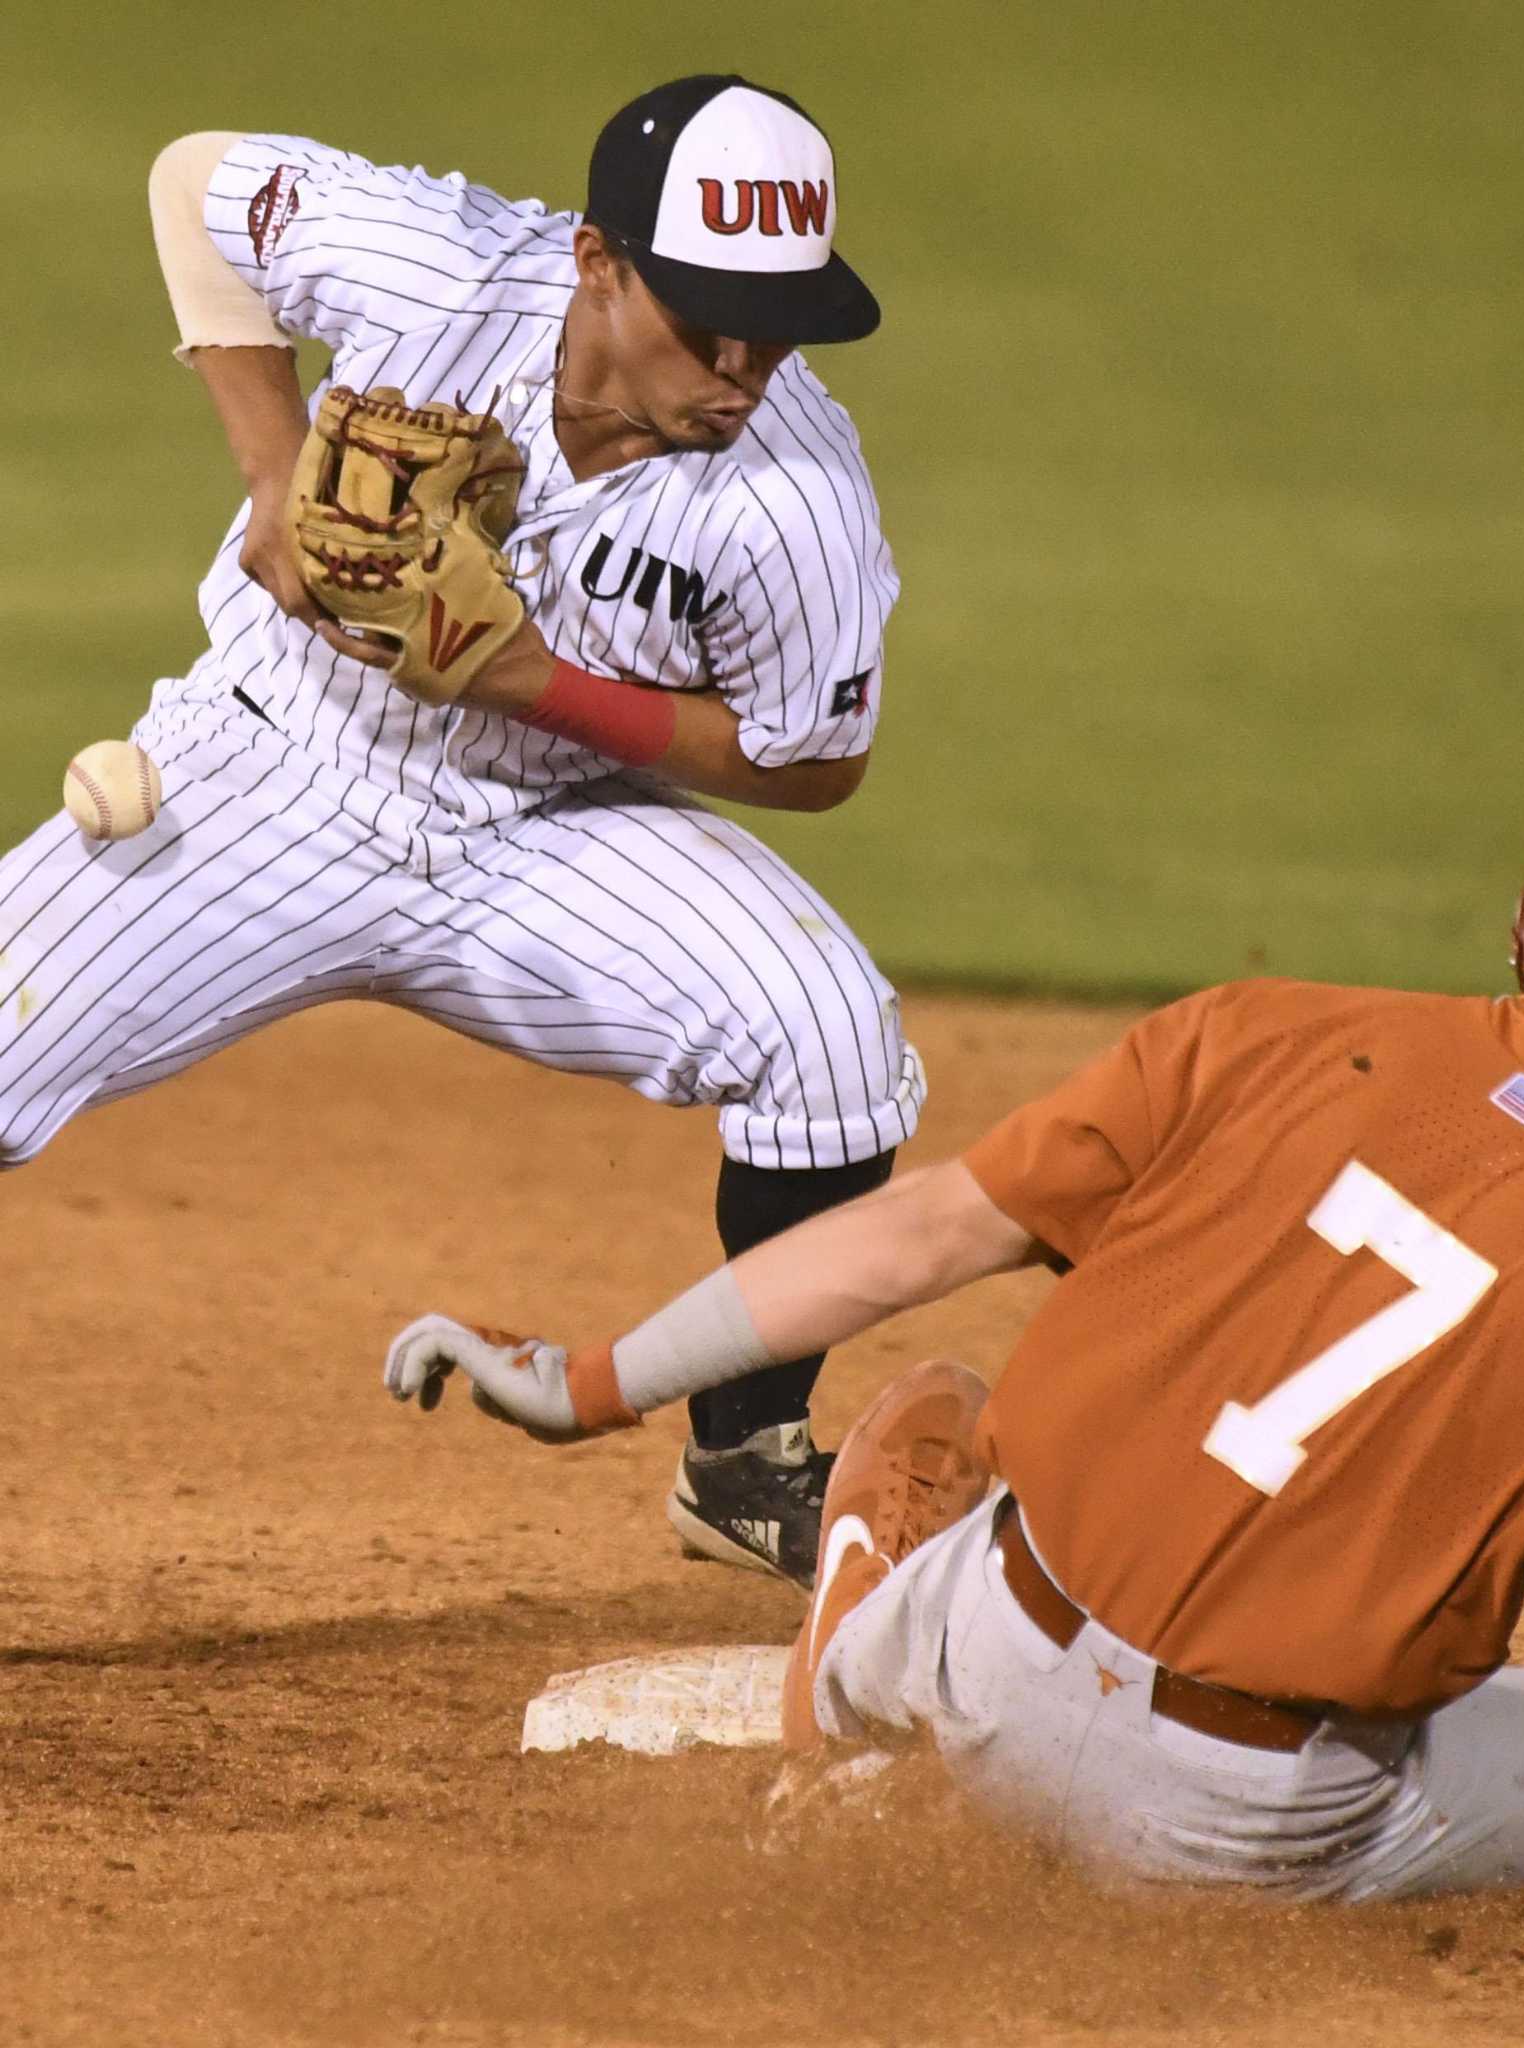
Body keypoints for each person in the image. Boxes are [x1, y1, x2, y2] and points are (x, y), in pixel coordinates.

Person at [384, 723, 1524, 1992]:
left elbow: (915, 1238)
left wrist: (594, 1383)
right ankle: (936, 1728)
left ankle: (850, 1688)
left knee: (936, 1418)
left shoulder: (1265, 1032)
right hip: (1235, 1824)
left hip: (989, 1660)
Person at [0, 74, 921, 1588]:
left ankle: (744, 1467)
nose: (747, 363)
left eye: (780, 321)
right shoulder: (439, 264)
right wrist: (273, 471)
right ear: (596, 262)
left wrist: (529, 684)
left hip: (541, 836)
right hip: (263, 772)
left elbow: (810, 760)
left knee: (826, 1034)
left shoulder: (797, 493)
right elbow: (195, 182)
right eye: (707, 319)